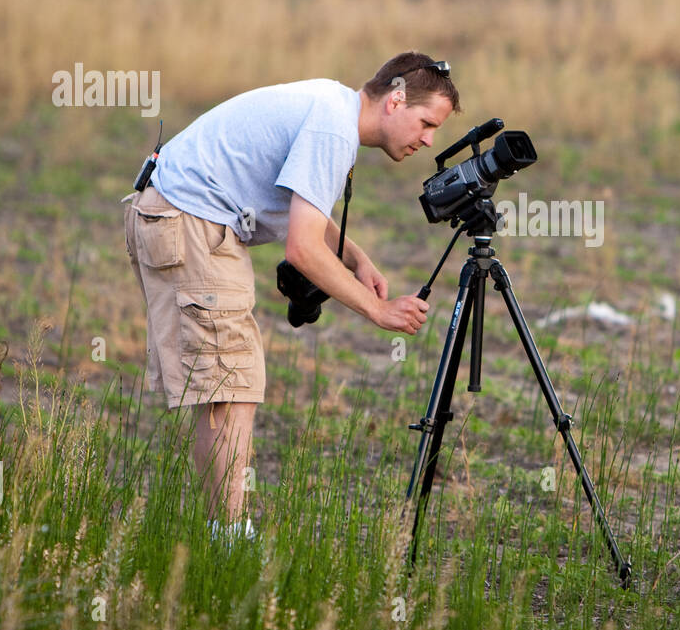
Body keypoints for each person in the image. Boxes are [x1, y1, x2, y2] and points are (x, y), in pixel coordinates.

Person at [122, 52, 459, 541]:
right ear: (396, 100)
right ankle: (227, 541)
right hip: (190, 220)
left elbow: (302, 204)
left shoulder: (331, 108)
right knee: (229, 386)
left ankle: (223, 532)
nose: (428, 140)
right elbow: (301, 248)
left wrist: (355, 257)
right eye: (427, 123)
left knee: (229, 385)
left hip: (180, 214)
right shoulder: (333, 130)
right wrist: (378, 311)